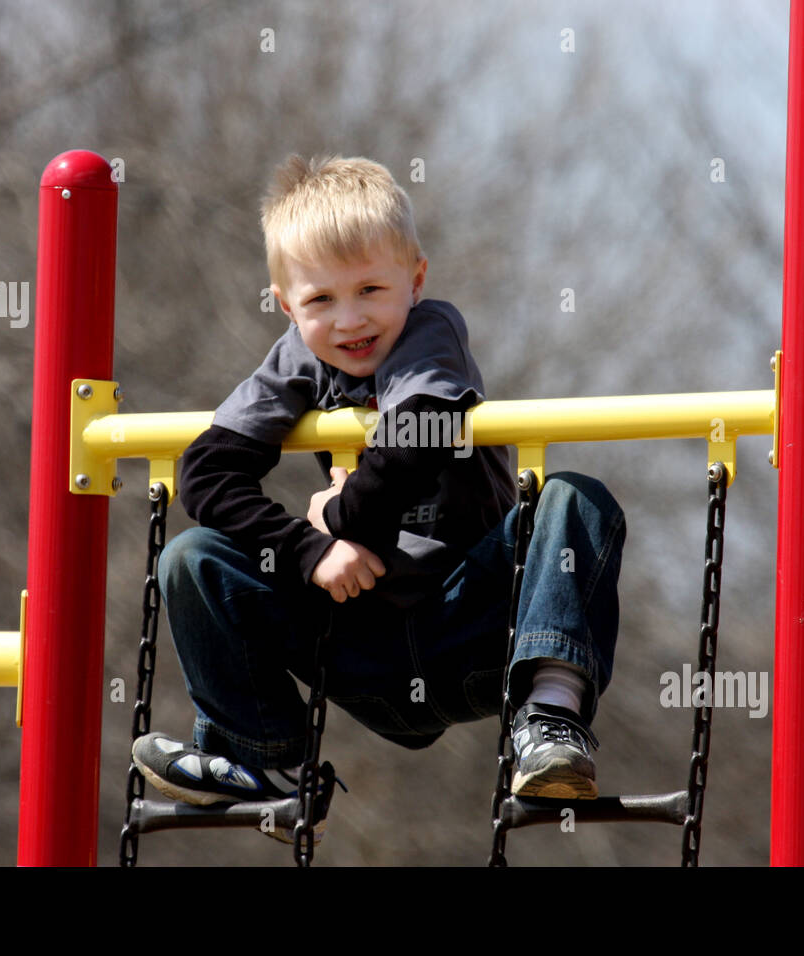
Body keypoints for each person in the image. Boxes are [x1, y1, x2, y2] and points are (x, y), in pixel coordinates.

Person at [132, 154, 626, 844]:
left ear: (415, 279)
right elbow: (207, 474)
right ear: (286, 305)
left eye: (370, 289)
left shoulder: (431, 332)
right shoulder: (295, 359)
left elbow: (419, 435)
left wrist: (337, 516)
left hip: (472, 624)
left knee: (574, 498)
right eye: (320, 301)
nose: (349, 319)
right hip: (360, 645)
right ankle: (261, 758)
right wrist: (308, 551)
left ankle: (550, 718)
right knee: (193, 558)